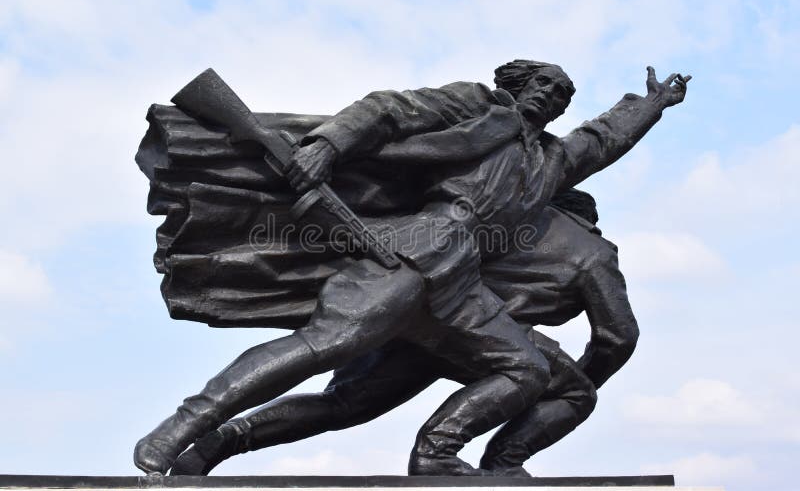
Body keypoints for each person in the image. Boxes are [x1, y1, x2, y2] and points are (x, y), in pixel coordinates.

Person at [134, 61, 689, 475]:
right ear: (517, 84)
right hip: (417, 244)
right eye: (543, 83)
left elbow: (603, 139)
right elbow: (390, 109)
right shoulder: (479, 106)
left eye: (563, 94)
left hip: (462, 281)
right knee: (324, 345)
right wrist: (329, 143)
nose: (552, 96)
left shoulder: (550, 160)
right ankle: (182, 428)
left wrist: (652, 105)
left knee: (525, 367)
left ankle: (435, 456)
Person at [169, 189, 638, 476]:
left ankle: (223, 440)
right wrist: (577, 381)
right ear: (588, 219)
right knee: (574, 393)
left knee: (343, 404)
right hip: (489, 336)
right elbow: (617, 337)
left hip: (418, 315)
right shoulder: (593, 251)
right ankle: (488, 462)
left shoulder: (509, 219)